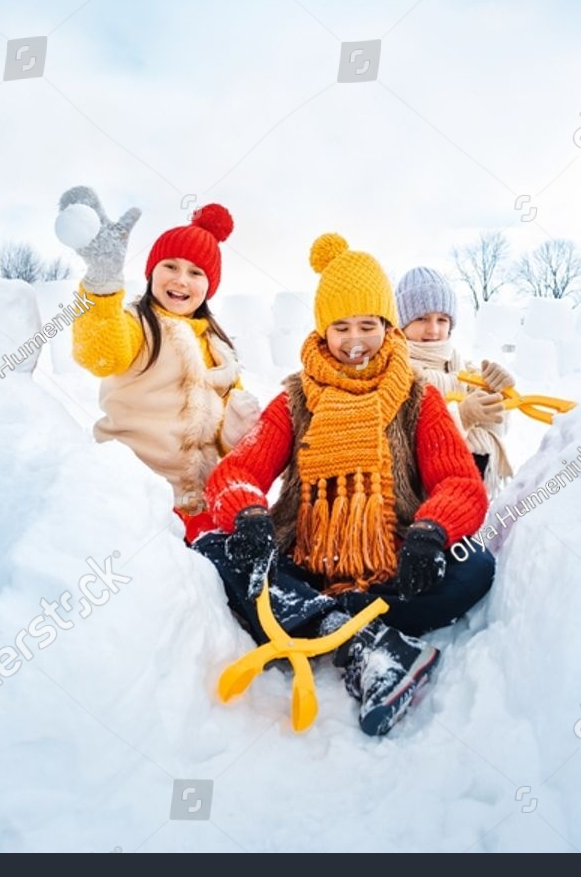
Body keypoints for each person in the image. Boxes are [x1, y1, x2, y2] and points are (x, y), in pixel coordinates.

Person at [193, 233, 495, 736]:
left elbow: (460, 481)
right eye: (341, 326)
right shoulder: (295, 398)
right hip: (307, 558)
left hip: (396, 562)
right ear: (322, 330)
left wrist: (431, 532)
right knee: (214, 548)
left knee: (476, 566)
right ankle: (362, 641)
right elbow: (238, 471)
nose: (355, 339)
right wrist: (247, 513)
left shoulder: (419, 399)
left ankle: (320, 621)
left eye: (368, 325)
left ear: (386, 326)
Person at [64, 188, 259, 543]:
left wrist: (236, 429)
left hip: (201, 504)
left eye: (196, 272)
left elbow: (230, 430)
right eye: (170, 266)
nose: (181, 280)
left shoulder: (216, 345)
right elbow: (100, 354)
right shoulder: (138, 324)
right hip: (137, 495)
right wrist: (103, 284)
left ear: (209, 286)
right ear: (152, 272)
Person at [394, 266, 516, 497]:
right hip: (421, 502)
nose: (434, 329)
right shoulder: (395, 372)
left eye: (442, 319)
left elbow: (498, 428)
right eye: (421, 318)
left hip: (471, 495)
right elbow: (404, 444)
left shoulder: (462, 367)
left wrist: (500, 393)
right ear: (402, 324)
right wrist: (463, 417)